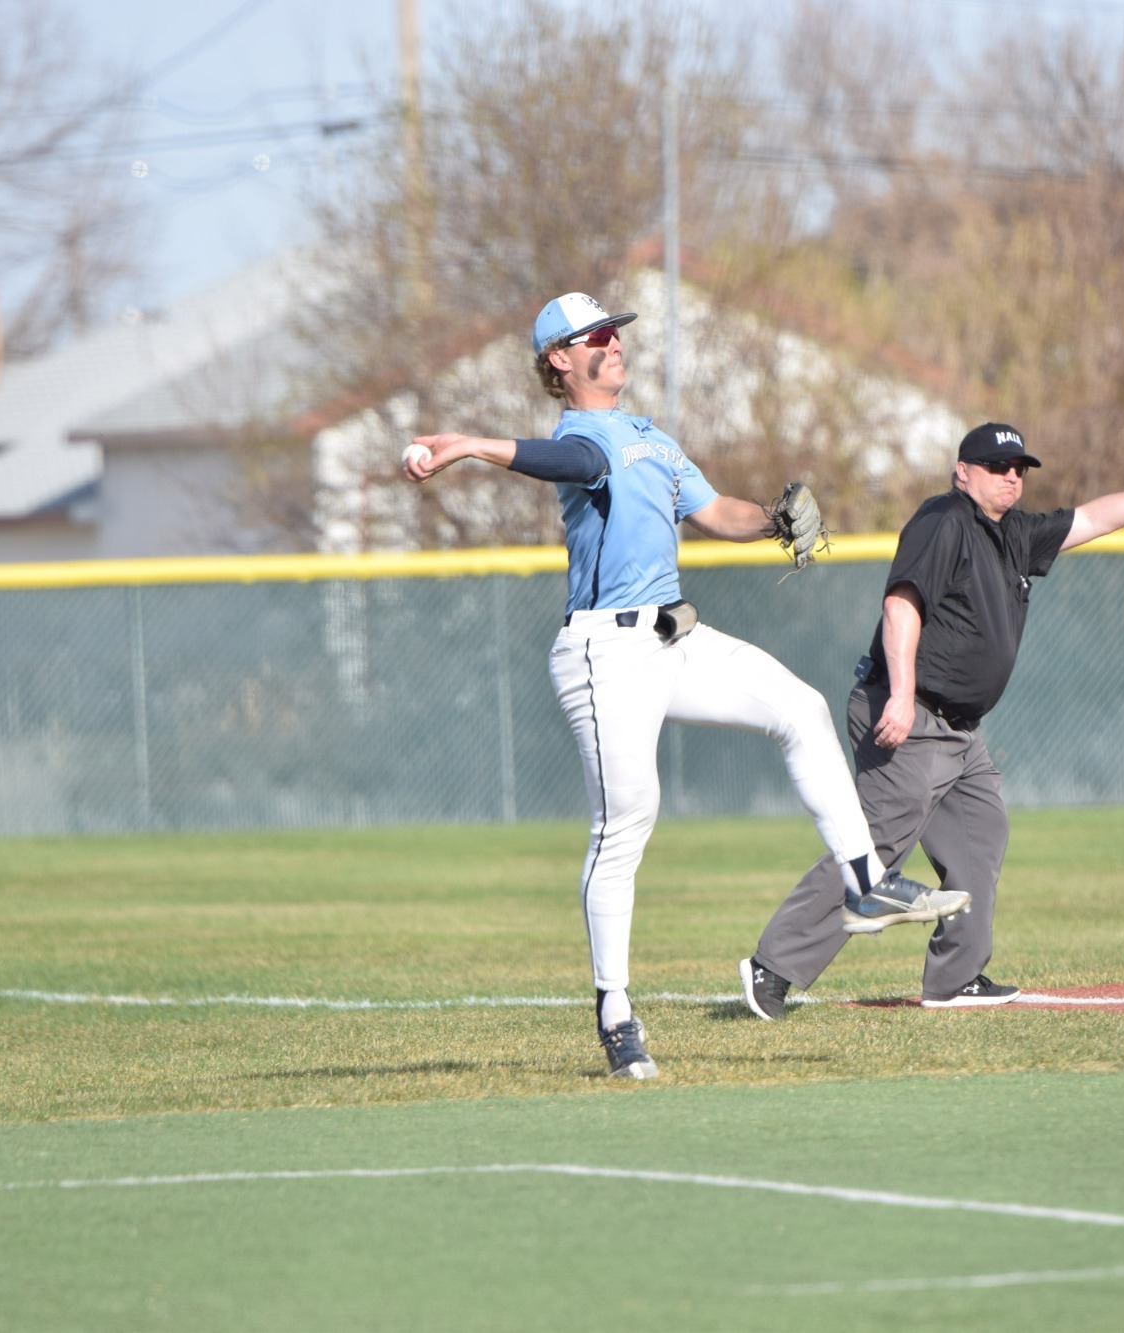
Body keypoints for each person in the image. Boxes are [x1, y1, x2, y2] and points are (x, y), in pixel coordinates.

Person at [404, 291, 969, 1079]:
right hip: (605, 653)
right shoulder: (581, 436)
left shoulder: (649, 437)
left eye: (616, 331)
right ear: (560, 360)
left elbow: (714, 510)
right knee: (627, 823)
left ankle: (865, 881)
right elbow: (562, 464)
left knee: (799, 707)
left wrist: (772, 518)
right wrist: (468, 444)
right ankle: (614, 1008)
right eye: (595, 336)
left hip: (675, 636)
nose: (614, 343)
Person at [737, 423, 1124, 1017]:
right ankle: (772, 968)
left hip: (959, 732)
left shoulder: (1015, 535)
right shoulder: (944, 520)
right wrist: (900, 694)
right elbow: (901, 604)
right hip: (907, 714)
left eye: (1019, 467)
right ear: (963, 471)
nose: (1012, 476)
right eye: (998, 467)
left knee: (981, 833)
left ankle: (955, 979)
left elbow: (1094, 518)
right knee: (880, 845)